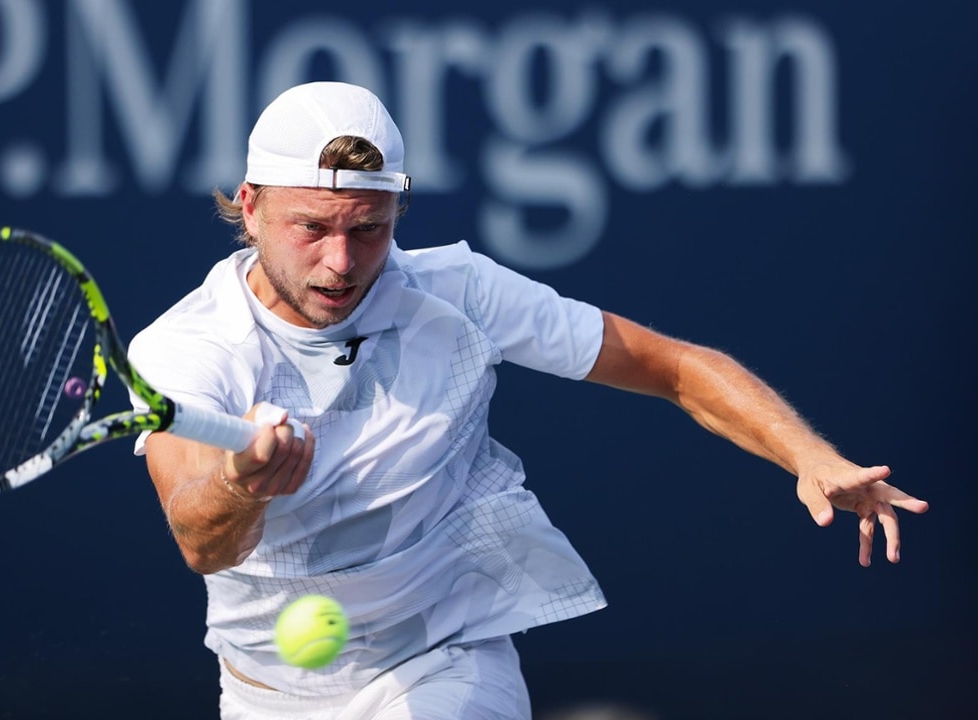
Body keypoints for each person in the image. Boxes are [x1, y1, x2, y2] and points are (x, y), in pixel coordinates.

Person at [126, 82, 928, 720]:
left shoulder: (459, 292)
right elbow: (201, 541)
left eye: (369, 228)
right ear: (251, 205)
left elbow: (676, 368)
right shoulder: (184, 349)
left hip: (449, 657)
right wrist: (242, 484)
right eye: (313, 227)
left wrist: (808, 454)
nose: (342, 261)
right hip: (268, 695)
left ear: (397, 210)